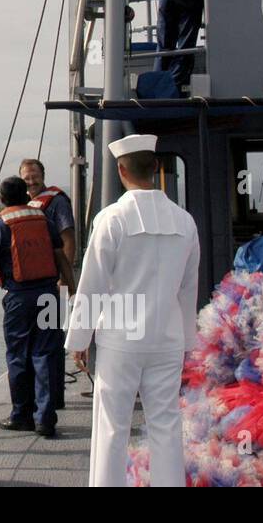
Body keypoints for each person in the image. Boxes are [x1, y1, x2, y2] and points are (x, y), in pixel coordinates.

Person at [65, 134, 200, 487]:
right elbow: (188, 289)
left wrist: (80, 337)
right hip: (167, 340)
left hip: (121, 340)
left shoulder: (111, 219)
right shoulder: (185, 222)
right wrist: (188, 341)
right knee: (167, 425)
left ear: (121, 169)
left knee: (112, 426)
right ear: (156, 168)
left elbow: (92, 283)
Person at [0, 176, 74, 438]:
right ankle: (45, 419)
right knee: (45, 355)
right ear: (26, 195)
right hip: (48, 295)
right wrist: (71, 289)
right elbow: (60, 256)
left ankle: (22, 416)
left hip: (19, 298)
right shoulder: (44, 219)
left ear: (2, 198)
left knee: (18, 356)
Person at [20, 157, 77, 409]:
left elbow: (68, 240)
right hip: (34, 284)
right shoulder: (28, 204)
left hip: (54, 283)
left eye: (34, 176)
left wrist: (65, 280)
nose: (31, 181)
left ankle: (54, 398)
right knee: (38, 341)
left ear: (43, 175)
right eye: (26, 178)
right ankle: (44, 396)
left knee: (51, 342)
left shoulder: (57, 202)